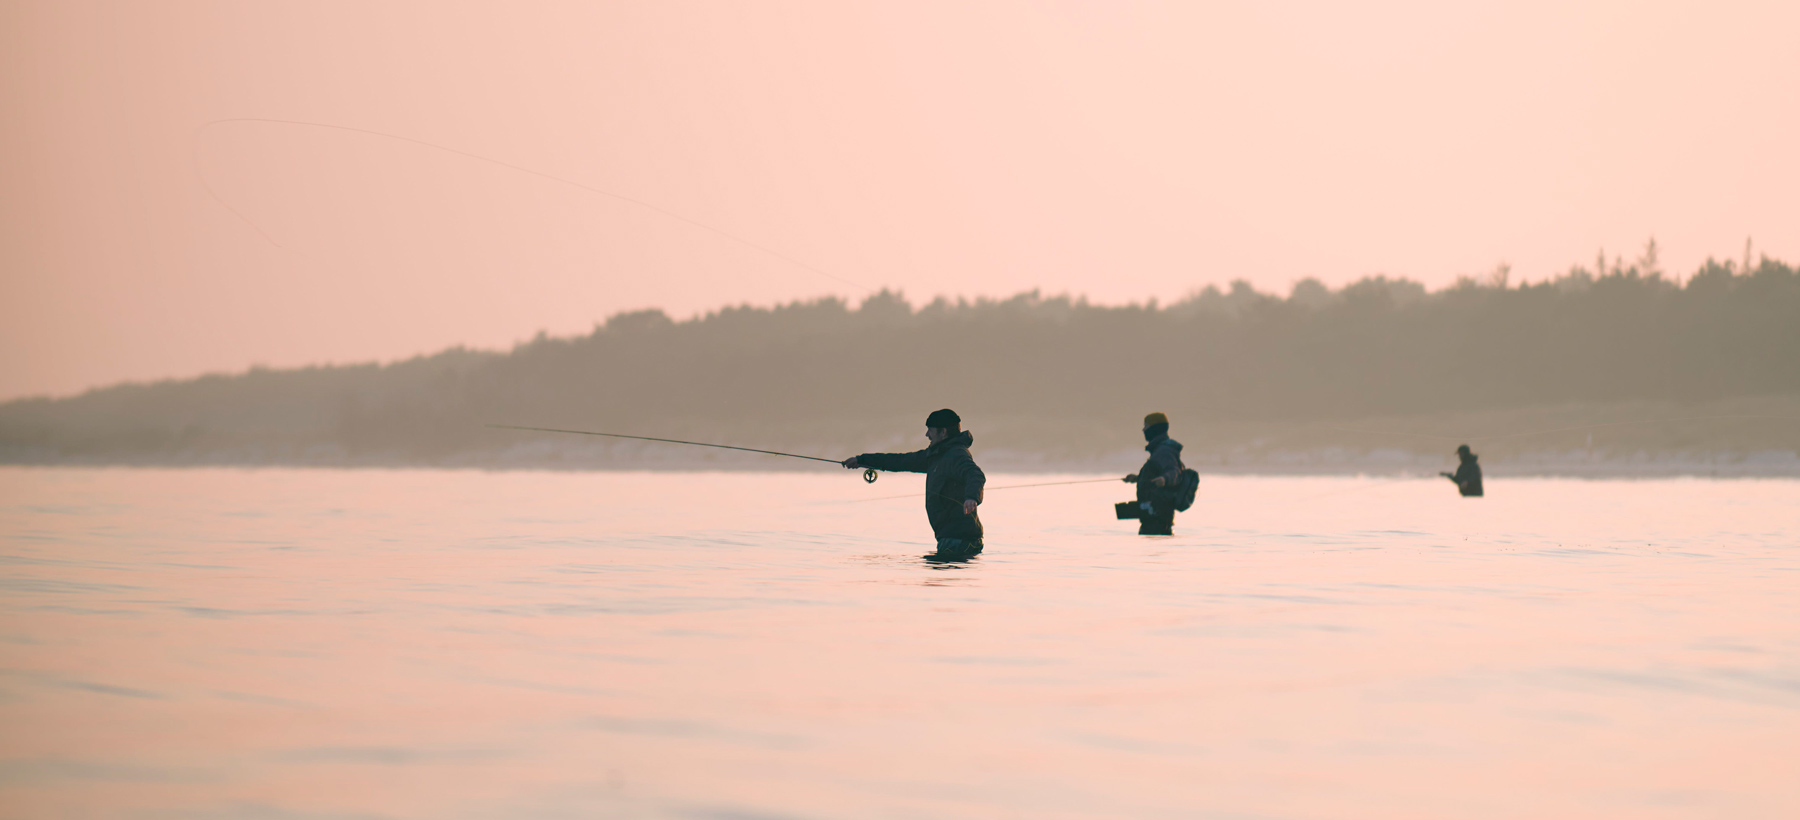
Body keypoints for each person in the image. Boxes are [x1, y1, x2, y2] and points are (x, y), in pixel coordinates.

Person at [842, 409, 987, 560]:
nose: (927, 435)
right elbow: (899, 461)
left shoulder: (956, 455)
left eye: (930, 430)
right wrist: (862, 460)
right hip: (950, 539)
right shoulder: (935, 456)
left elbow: (975, 474)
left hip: (960, 541)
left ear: (943, 432)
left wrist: (972, 498)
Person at [1122, 412, 1183, 535]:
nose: (1143, 429)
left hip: (1158, 519)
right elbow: (1157, 474)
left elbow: (1174, 472)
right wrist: (1138, 478)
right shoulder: (1159, 451)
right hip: (1152, 517)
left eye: (1146, 426)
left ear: (1154, 429)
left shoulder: (1164, 451)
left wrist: (1164, 479)